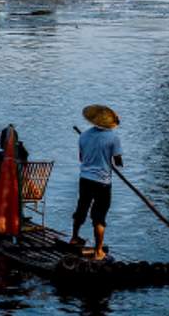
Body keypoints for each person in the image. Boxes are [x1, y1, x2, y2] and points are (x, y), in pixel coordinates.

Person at [71, 104, 123, 260]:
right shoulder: (113, 137)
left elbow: (82, 158)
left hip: (85, 179)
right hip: (102, 182)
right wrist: (115, 162)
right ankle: (98, 250)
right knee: (99, 216)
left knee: (82, 207)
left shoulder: (84, 136)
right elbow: (118, 161)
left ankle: (74, 237)